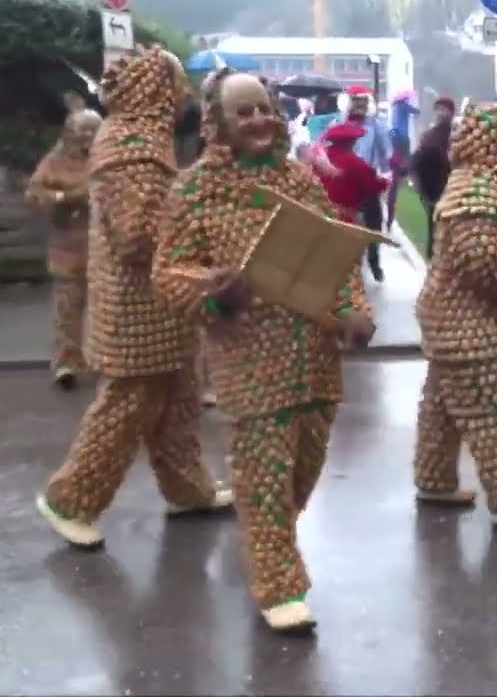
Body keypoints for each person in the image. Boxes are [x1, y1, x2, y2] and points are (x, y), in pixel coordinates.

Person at [153, 70, 376, 632]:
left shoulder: (299, 180)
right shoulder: (195, 189)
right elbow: (167, 274)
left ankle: (265, 536)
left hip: (315, 359)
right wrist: (214, 291)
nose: (256, 120)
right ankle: (279, 585)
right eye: (243, 111)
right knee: (266, 477)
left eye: (262, 109)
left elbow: (337, 252)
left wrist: (356, 312)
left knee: (301, 473)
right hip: (249, 361)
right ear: (220, 123)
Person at [36, 46, 232, 549]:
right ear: (155, 88)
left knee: (177, 400)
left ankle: (188, 488)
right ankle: (70, 499)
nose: (184, 92)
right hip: (139, 306)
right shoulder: (134, 148)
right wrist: (199, 236)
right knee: (127, 407)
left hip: (159, 305)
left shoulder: (135, 139)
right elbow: (138, 236)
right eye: (176, 82)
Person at [411, 101, 497, 528]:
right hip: (465, 322)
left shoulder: (464, 183)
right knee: (487, 407)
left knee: (442, 406)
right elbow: (484, 263)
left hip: (444, 315)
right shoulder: (481, 196)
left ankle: (434, 479)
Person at [25, 92, 101, 391]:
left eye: (95, 131)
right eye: (84, 131)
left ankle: (101, 361)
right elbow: (35, 193)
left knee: (103, 309)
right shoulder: (55, 161)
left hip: (101, 247)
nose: (89, 137)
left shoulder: (105, 159)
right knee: (68, 309)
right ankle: (66, 363)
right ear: (70, 133)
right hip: (67, 247)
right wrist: (65, 198)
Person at [343, 85, 393, 281]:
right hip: (346, 181)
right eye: (355, 101)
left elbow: (385, 152)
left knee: (374, 223)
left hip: (368, 180)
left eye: (362, 102)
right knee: (347, 222)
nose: (358, 106)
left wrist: (387, 171)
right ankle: (351, 264)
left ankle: (374, 260)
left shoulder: (375, 125)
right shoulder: (339, 122)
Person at [317, 121, 390, 225]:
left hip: (319, 212)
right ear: (351, 141)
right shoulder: (355, 163)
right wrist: (387, 180)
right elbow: (375, 185)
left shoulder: (320, 156)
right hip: (345, 218)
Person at [410, 97, 456, 261]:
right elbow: (416, 161)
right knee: (435, 226)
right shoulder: (429, 136)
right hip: (433, 190)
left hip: (454, 188)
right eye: (440, 109)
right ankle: (434, 261)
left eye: (446, 110)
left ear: (452, 113)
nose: (443, 113)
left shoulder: (458, 135)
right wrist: (417, 183)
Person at [386, 91, 420, 229]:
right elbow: (417, 111)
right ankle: (409, 179)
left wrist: (393, 137)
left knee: (400, 161)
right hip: (403, 138)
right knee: (406, 161)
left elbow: (392, 128)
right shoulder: (403, 106)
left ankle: (402, 175)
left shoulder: (394, 108)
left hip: (396, 137)